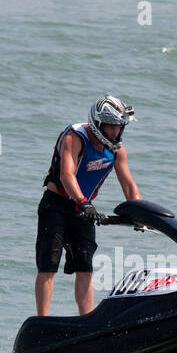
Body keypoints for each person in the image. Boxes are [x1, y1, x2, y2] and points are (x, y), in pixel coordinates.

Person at [34, 96, 141, 316]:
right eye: (111, 128)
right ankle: (42, 320)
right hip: (55, 206)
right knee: (48, 266)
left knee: (85, 268)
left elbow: (129, 186)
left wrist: (141, 213)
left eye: (119, 128)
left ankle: (87, 322)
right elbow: (66, 175)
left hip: (83, 210)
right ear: (98, 124)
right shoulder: (75, 138)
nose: (115, 133)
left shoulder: (117, 150)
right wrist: (83, 202)